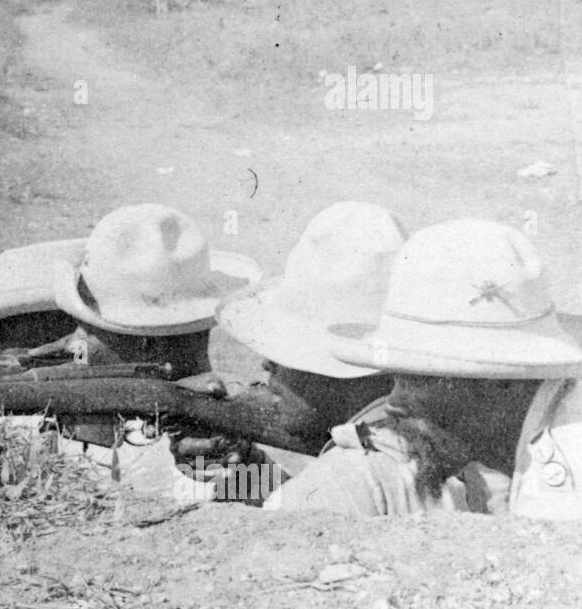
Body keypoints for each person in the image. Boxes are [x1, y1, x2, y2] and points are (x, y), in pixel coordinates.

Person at [263, 218, 582, 517]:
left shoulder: (568, 471)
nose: (394, 401)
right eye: (398, 379)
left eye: (418, 381)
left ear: (502, 380)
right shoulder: (538, 430)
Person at [47, 203, 261, 477]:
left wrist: (242, 462)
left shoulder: (214, 425)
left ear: (146, 344)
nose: (76, 340)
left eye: (89, 328)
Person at [215, 201, 408, 489]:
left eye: (289, 349)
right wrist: (248, 463)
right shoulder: (404, 454)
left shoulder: (348, 479)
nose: (267, 363)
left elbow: (310, 509)